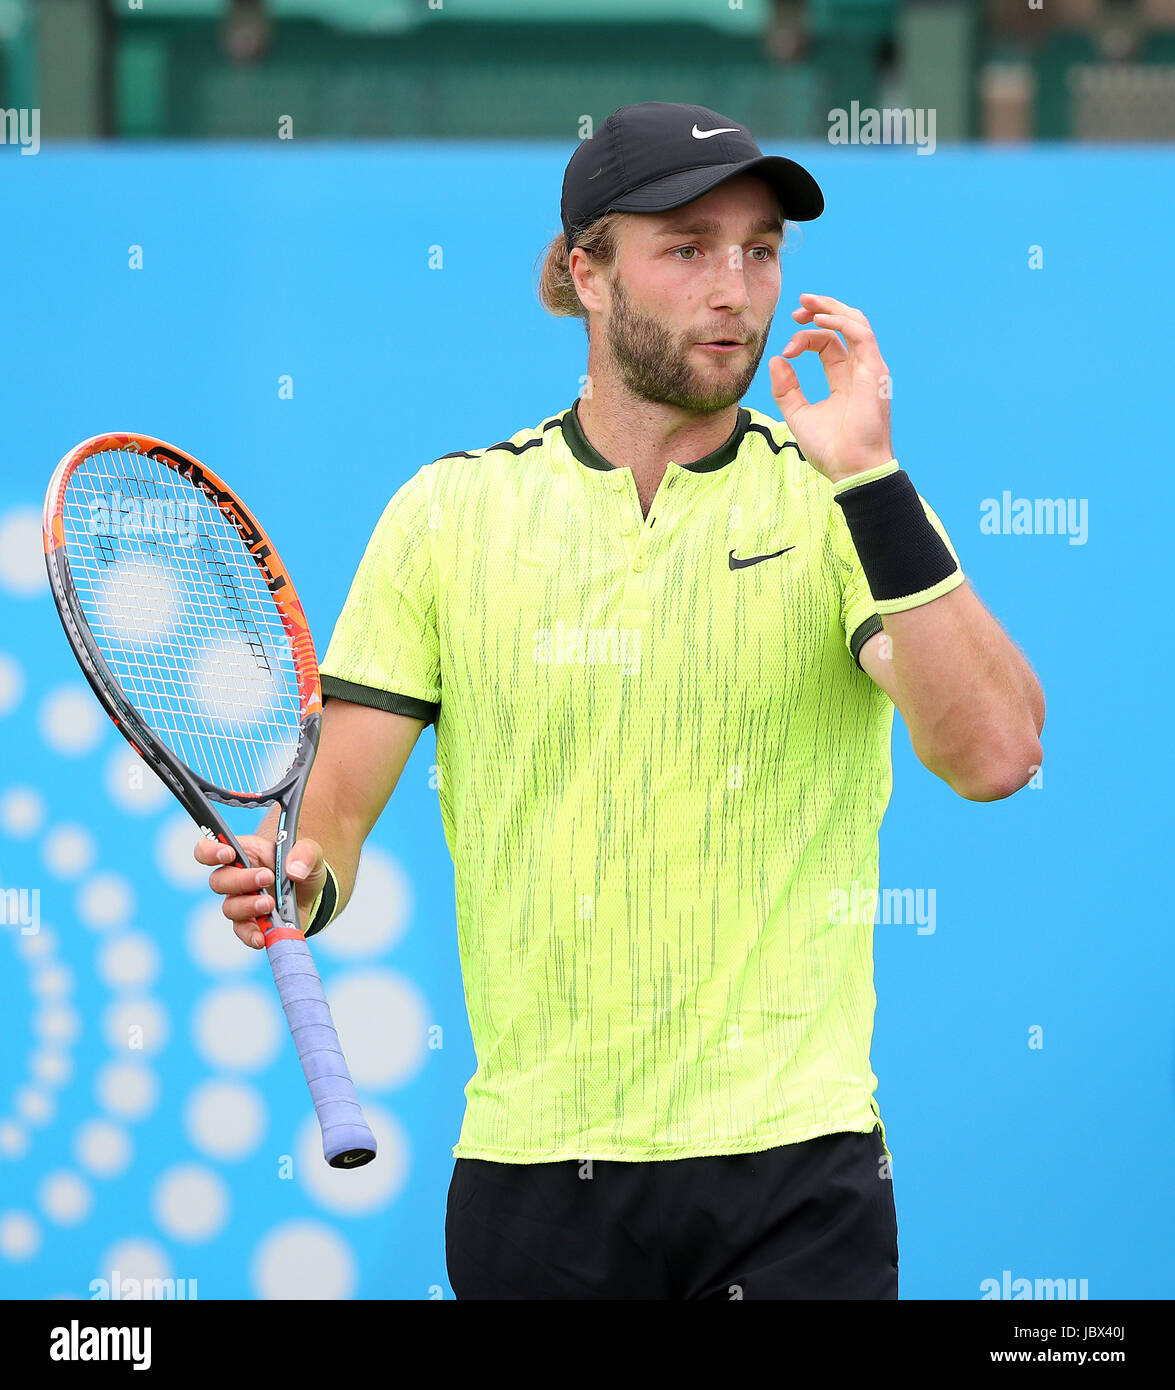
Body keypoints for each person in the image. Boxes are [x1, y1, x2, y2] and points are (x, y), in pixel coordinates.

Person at [195, 101, 1045, 1300]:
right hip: (535, 1173)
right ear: (585, 272)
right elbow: (325, 828)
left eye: (759, 249)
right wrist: (293, 880)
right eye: (688, 247)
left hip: (795, 1166)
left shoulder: (839, 502)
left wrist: (871, 474)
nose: (735, 288)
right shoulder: (447, 517)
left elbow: (997, 752)